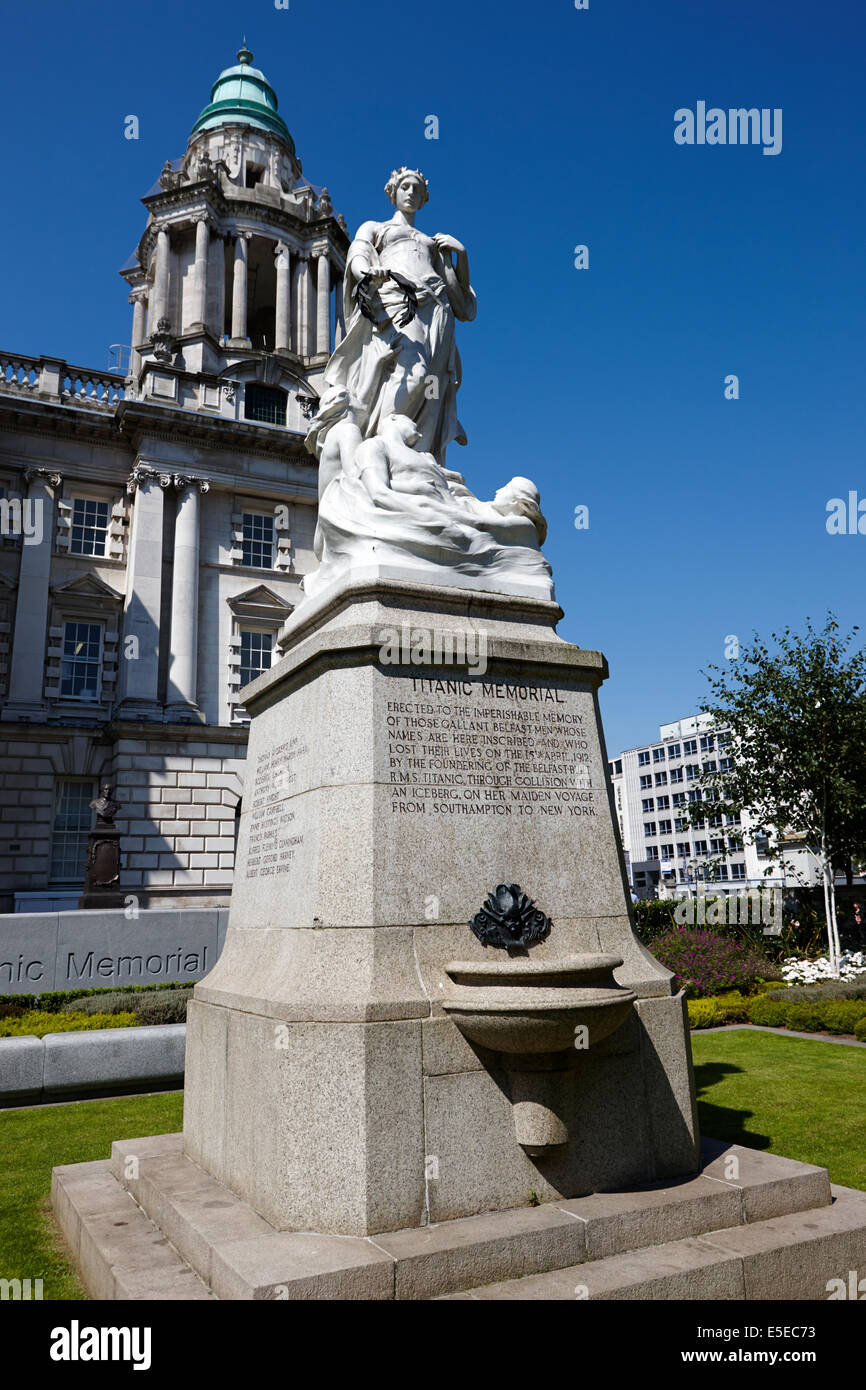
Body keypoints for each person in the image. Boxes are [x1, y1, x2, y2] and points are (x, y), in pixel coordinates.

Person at [321, 167, 476, 466]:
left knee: (435, 385)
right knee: (414, 373)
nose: (411, 192)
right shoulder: (377, 228)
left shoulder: (434, 242)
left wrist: (462, 254)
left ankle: (422, 455)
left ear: (424, 197)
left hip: (438, 308)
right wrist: (367, 274)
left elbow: (463, 303)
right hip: (399, 299)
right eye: (405, 186)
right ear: (392, 191)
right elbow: (358, 254)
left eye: (417, 189)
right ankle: (386, 443)